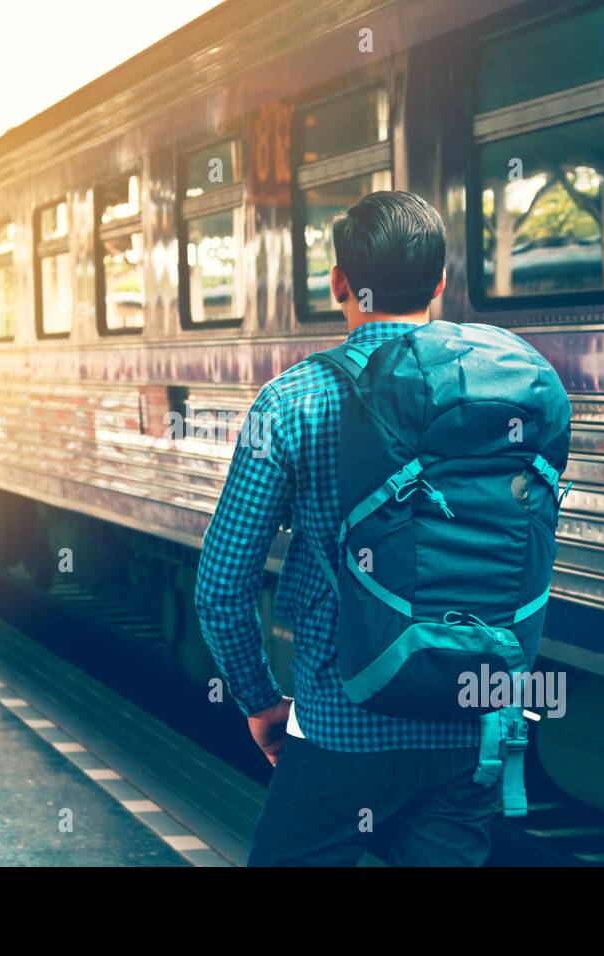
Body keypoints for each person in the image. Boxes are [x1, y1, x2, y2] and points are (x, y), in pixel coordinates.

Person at [194, 190, 498, 866]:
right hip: (465, 730)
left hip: (339, 730)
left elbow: (220, 587)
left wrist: (260, 700)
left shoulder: (293, 401)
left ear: (340, 284)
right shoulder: (492, 394)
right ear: (441, 284)